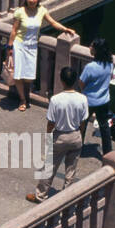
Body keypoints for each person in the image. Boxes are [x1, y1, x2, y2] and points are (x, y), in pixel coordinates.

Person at [26, 66, 90, 202]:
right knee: (71, 170)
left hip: (60, 137)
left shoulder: (55, 99)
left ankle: (40, 195)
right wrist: (80, 135)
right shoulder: (83, 99)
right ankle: (68, 197)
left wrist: (48, 138)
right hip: (76, 135)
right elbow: (84, 121)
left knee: (49, 168)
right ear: (75, 81)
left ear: (62, 80)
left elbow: (51, 123)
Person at [6, 0, 73, 112]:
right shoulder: (20, 12)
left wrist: (65, 29)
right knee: (18, 74)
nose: (31, 0)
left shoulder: (41, 11)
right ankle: (23, 99)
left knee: (29, 76)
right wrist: (9, 47)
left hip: (32, 46)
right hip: (19, 45)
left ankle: (26, 94)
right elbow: (14, 31)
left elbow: (53, 22)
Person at [79, 37, 114, 155]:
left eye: (91, 46)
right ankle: (108, 153)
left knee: (81, 124)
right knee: (104, 127)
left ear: (96, 50)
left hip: (89, 101)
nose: (90, 47)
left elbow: (81, 83)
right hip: (104, 100)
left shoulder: (90, 67)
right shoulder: (109, 64)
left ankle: (78, 148)